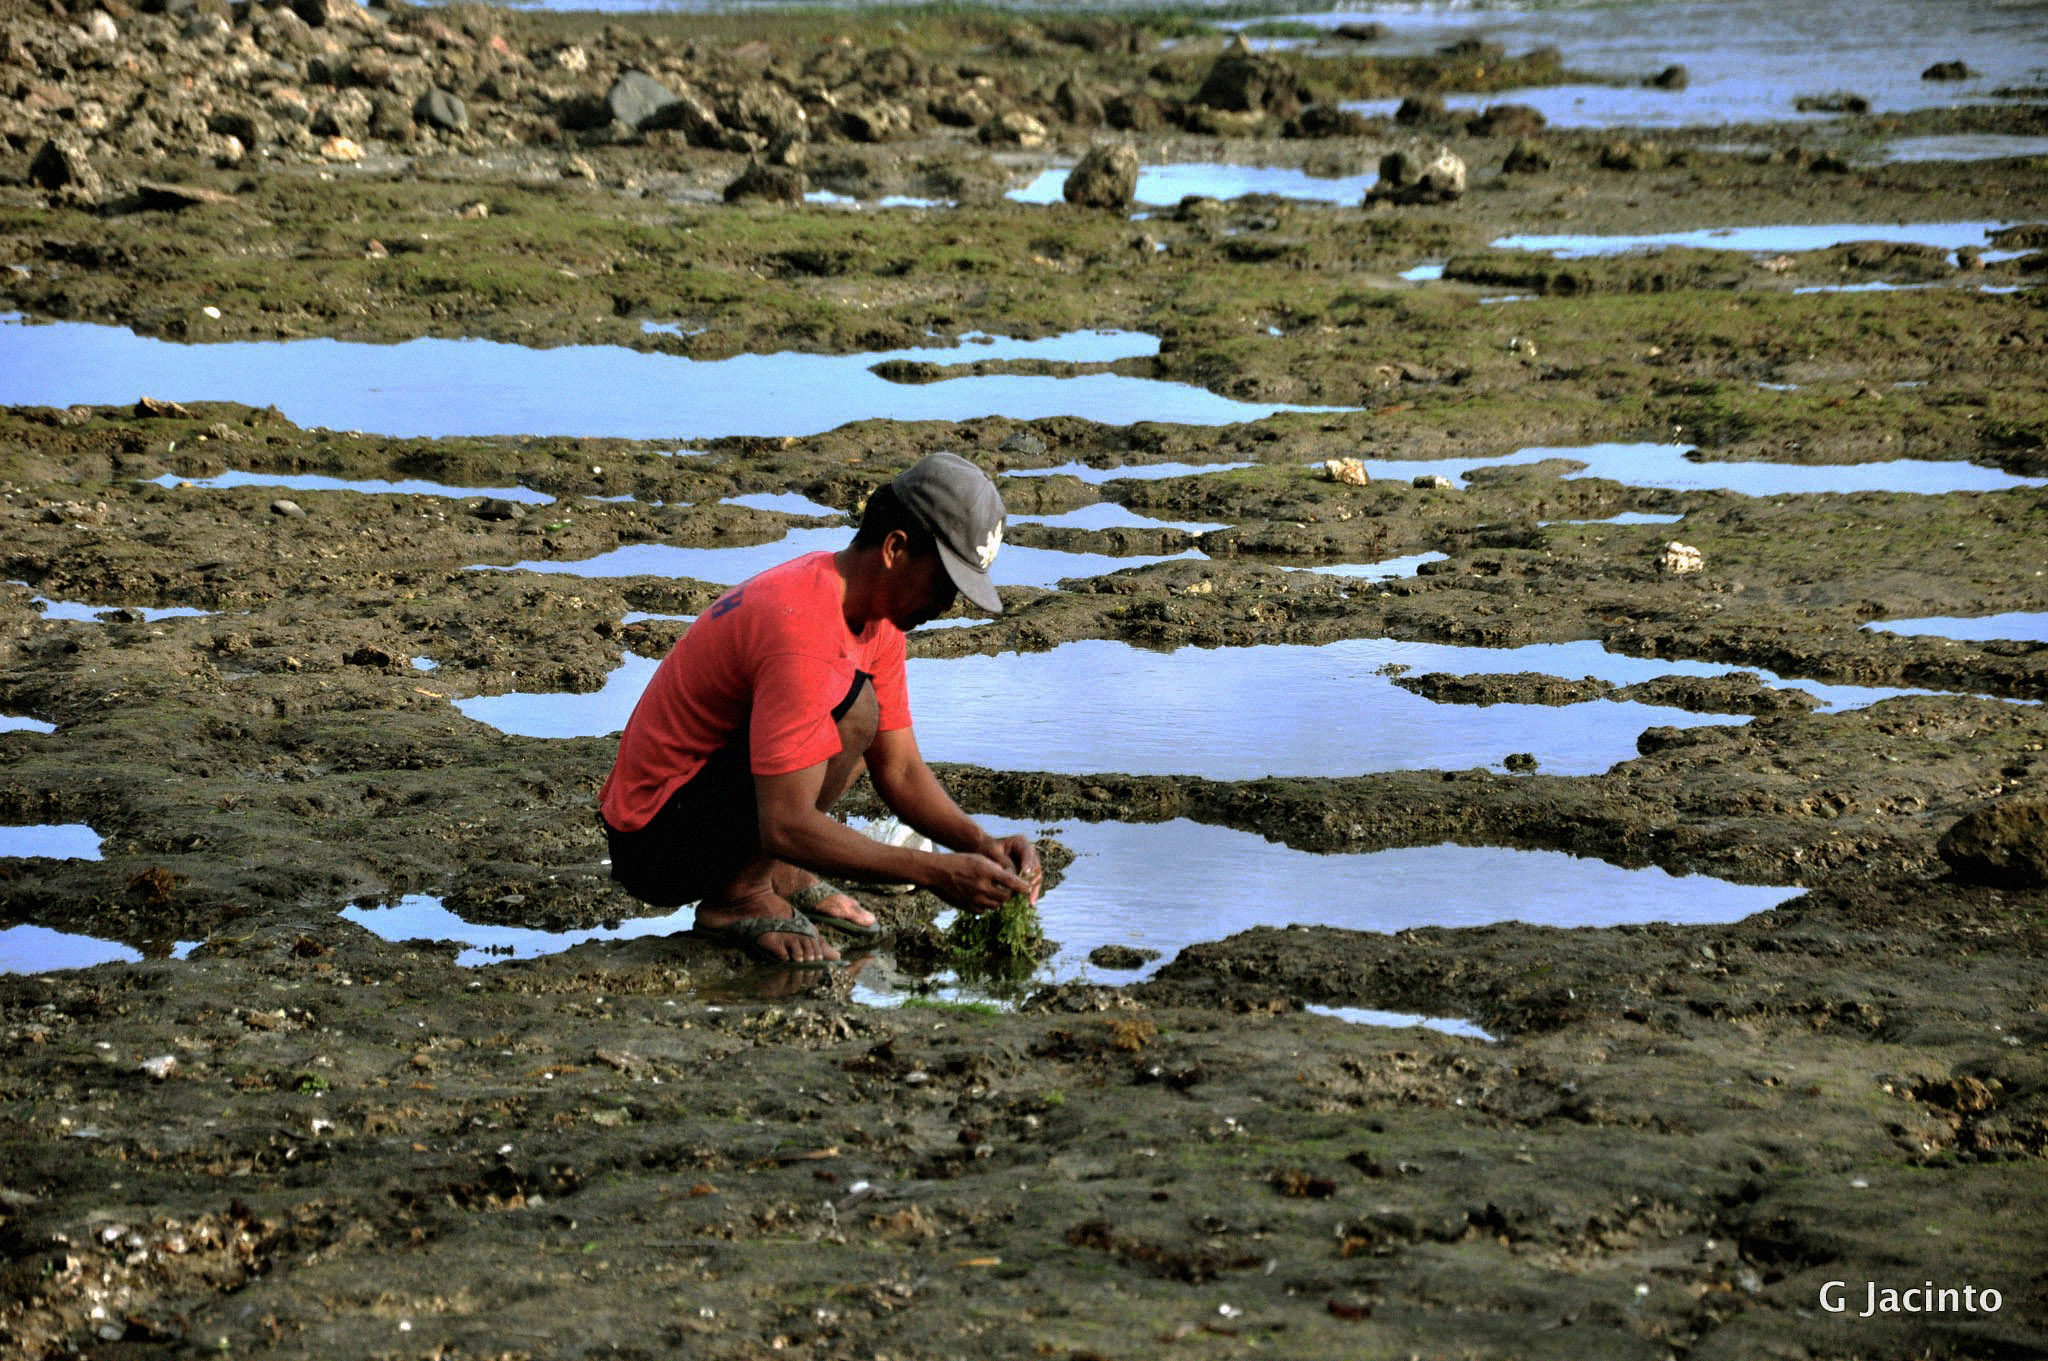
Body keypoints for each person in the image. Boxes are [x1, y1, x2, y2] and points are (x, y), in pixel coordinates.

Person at [600, 452, 1043, 964]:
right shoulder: (801, 627)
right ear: (895, 548)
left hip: (704, 808)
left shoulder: (876, 615)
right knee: (852, 711)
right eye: (944, 584)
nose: (947, 605)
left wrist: (978, 843)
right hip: (656, 842)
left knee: (862, 717)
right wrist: (933, 871)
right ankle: (738, 897)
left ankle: (774, 872)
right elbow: (785, 824)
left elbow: (899, 768)